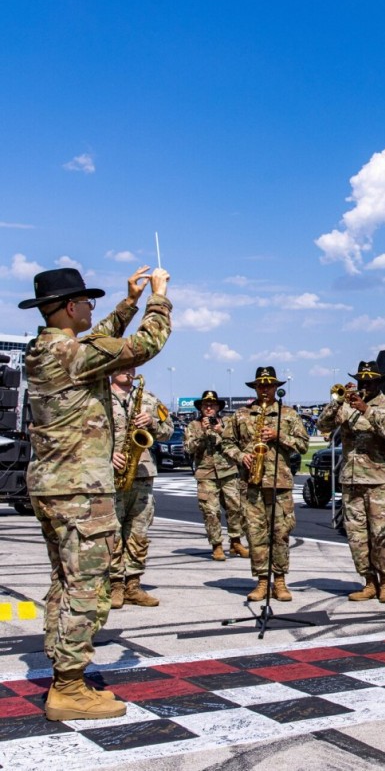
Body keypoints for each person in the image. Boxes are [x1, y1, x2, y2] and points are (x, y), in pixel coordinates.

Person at [20, 264, 171, 721]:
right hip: (80, 491)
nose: (92, 308)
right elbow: (144, 345)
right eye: (86, 302)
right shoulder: (72, 353)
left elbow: (98, 340)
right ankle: (67, 688)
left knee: (65, 584)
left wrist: (127, 303)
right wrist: (158, 299)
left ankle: (68, 675)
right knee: (86, 587)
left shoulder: (51, 347)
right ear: (69, 306)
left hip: (56, 486)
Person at [317, 361, 385, 603]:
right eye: (361, 381)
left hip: (380, 481)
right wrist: (337, 402)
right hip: (352, 480)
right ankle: (368, 582)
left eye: (370, 381)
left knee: (381, 535)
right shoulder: (346, 404)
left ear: (378, 382)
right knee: (357, 536)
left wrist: (366, 410)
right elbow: (322, 425)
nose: (365, 385)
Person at [222, 366, 310, 602]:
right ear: (255, 387)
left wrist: (278, 436)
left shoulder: (288, 414)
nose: (265, 388)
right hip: (251, 484)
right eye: (261, 385)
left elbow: (303, 444)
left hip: (279, 484)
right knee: (255, 534)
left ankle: (280, 581)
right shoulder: (241, 415)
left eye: (269, 384)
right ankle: (262, 581)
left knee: (280, 533)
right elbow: (226, 443)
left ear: (276, 388)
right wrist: (242, 456)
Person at [108, 367, 174, 607]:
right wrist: (107, 455)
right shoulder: (99, 397)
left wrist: (153, 423)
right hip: (110, 474)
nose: (127, 370)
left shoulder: (149, 398)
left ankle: (133, 585)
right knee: (112, 532)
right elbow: (86, 433)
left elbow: (169, 431)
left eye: (131, 366)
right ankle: (114, 584)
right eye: (121, 366)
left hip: (143, 473)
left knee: (138, 532)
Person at [184, 390, 248, 561]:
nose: (209, 408)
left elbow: (240, 443)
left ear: (218, 407)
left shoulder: (227, 423)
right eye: (206, 405)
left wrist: (221, 431)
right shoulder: (193, 426)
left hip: (228, 470)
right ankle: (217, 545)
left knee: (236, 507)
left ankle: (236, 541)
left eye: (212, 405)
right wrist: (203, 434)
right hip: (206, 473)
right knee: (210, 511)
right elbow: (188, 449)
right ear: (201, 408)